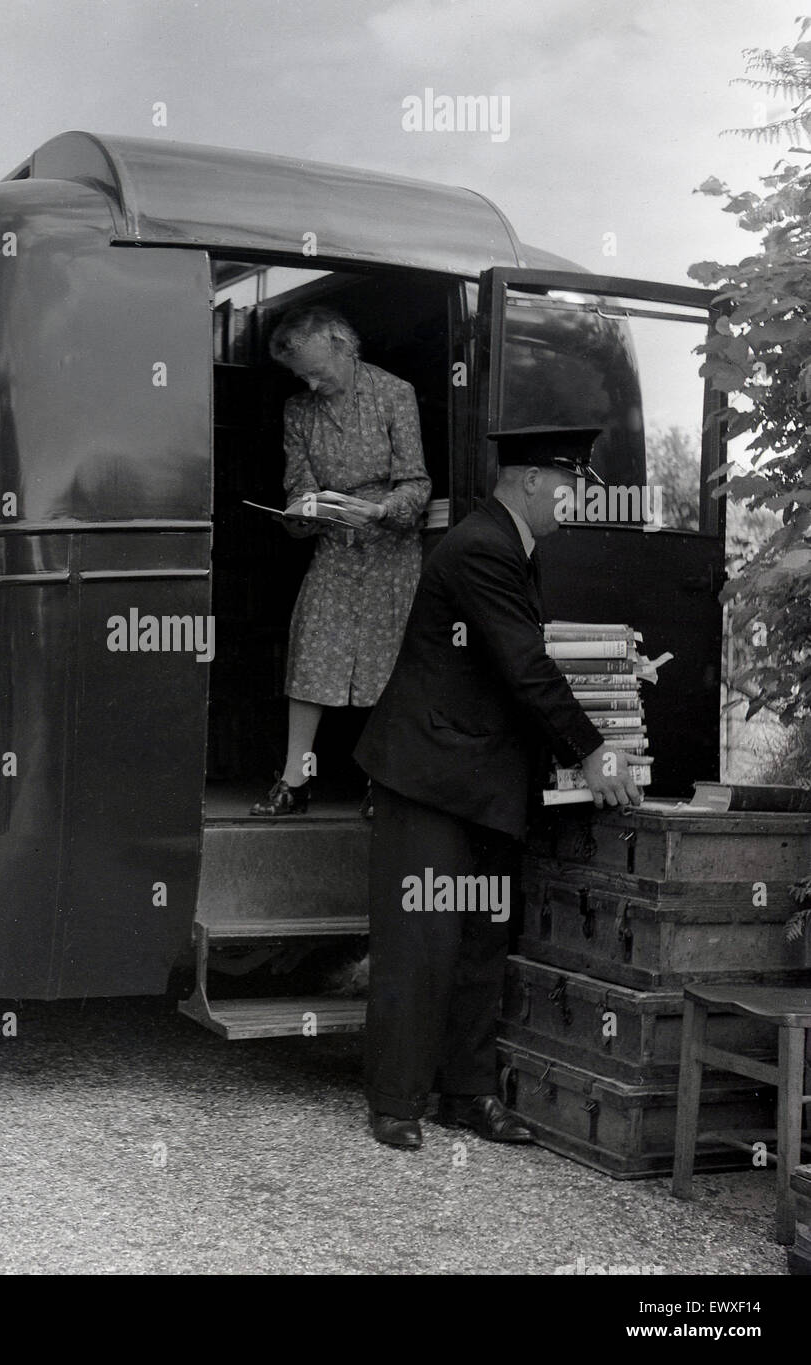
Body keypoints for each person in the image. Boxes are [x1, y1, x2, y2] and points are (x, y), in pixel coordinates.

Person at [352, 425, 643, 1151]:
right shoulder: (484, 546)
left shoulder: (509, 545)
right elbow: (525, 666)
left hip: (479, 776)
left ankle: (468, 1094)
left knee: (482, 939)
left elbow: (516, 667)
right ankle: (395, 1103)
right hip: (429, 773)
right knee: (420, 942)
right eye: (570, 484)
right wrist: (595, 750)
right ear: (531, 480)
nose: (576, 500)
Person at [250, 307, 431, 818]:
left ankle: (383, 786)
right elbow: (299, 485)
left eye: (316, 370)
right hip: (334, 546)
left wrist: (381, 510)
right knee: (311, 655)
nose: (308, 381)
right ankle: (294, 783)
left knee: (386, 665)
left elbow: (416, 482)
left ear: (344, 349)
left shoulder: (395, 393)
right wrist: (300, 513)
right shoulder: (298, 411)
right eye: (299, 374)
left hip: (390, 550)